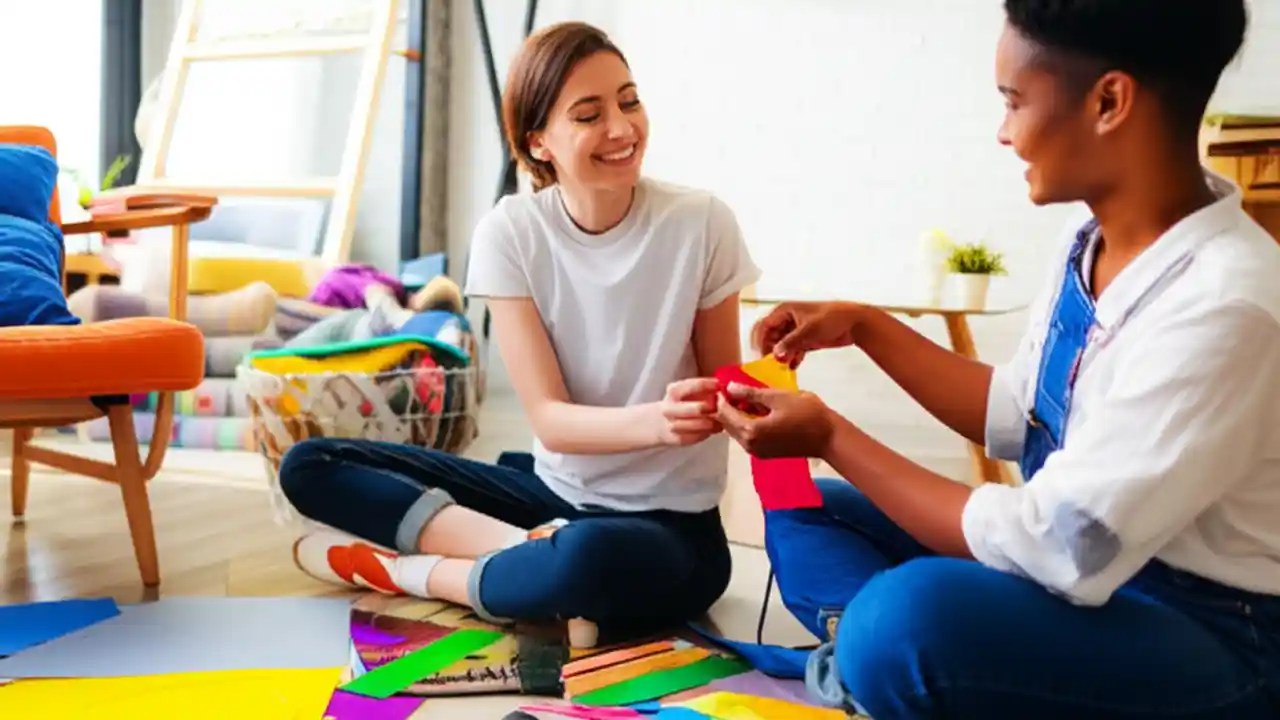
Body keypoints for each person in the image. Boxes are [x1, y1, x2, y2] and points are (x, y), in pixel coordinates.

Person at [716, 1, 1280, 718]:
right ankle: (882, 666)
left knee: (905, 618)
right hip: (1077, 582)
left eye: (1014, 101)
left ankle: (881, 660)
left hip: (1208, 630)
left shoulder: (1225, 306)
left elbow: (1059, 545)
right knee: (807, 509)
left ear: (1109, 101)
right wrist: (863, 326)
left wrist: (830, 436)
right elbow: (1016, 414)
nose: (1004, 132)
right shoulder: (1092, 238)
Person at [276, 21, 760, 643]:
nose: (621, 128)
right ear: (539, 143)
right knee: (311, 464)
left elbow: (730, 389)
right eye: (589, 115)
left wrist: (744, 396)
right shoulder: (511, 233)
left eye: (629, 101)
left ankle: (423, 572)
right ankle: (525, 558)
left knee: (587, 558)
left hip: (670, 529)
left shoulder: (702, 223)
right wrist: (657, 421)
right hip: (550, 495)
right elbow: (552, 420)